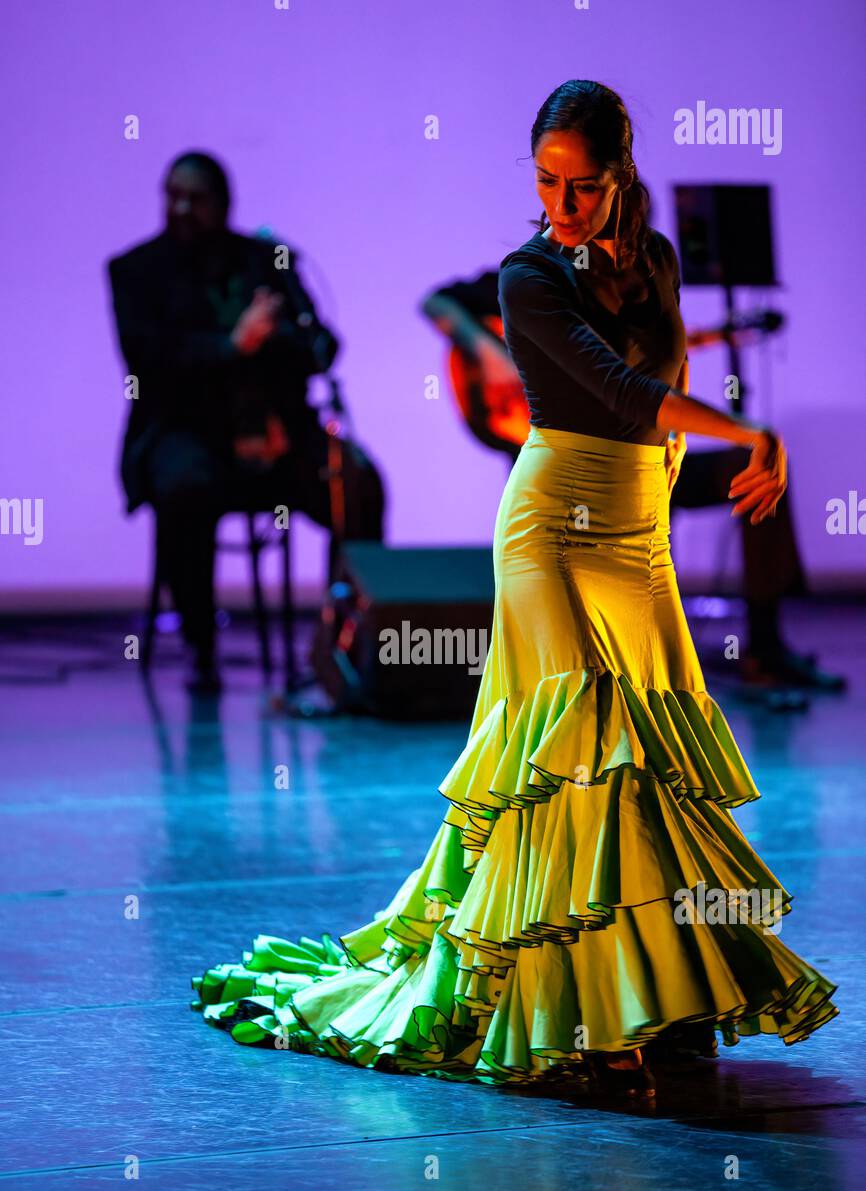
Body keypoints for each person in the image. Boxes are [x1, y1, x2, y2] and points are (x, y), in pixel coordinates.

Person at [192, 82, 838, 1099]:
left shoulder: (657, 262)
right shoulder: (527, 274)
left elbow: (654, 389)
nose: (562, 203)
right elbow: (617, 393)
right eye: (546, 181)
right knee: (579, 758)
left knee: (653, 761)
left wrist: (688, 461)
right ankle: (577, 1013)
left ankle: (658, 995)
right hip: (552, 527)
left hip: (638, 524)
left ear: (619, 176)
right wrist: (751, 433)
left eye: (582, 185)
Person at [421, 266, 843, 692]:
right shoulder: (522, 279)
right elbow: (436, 302)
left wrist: (712, 342)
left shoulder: (619, 292)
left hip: (636, 452)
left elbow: (636, 381)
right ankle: (625, 665)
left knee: (754, 469)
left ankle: (763, 650)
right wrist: (483, 347)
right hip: (568, 469)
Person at [107, 152, 385, 692]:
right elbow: (149, 360)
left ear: (225, 205)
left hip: (277, 433)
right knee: (184, 487)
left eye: (196, 198)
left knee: (358, 484)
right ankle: (200, 648)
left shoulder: (269, 259)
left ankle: (345, 644)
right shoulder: (135, 271)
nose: (182, 208)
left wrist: (274, 337)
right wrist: (234, 344)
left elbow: (322, 347)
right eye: (173, 195)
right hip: (184, 432)